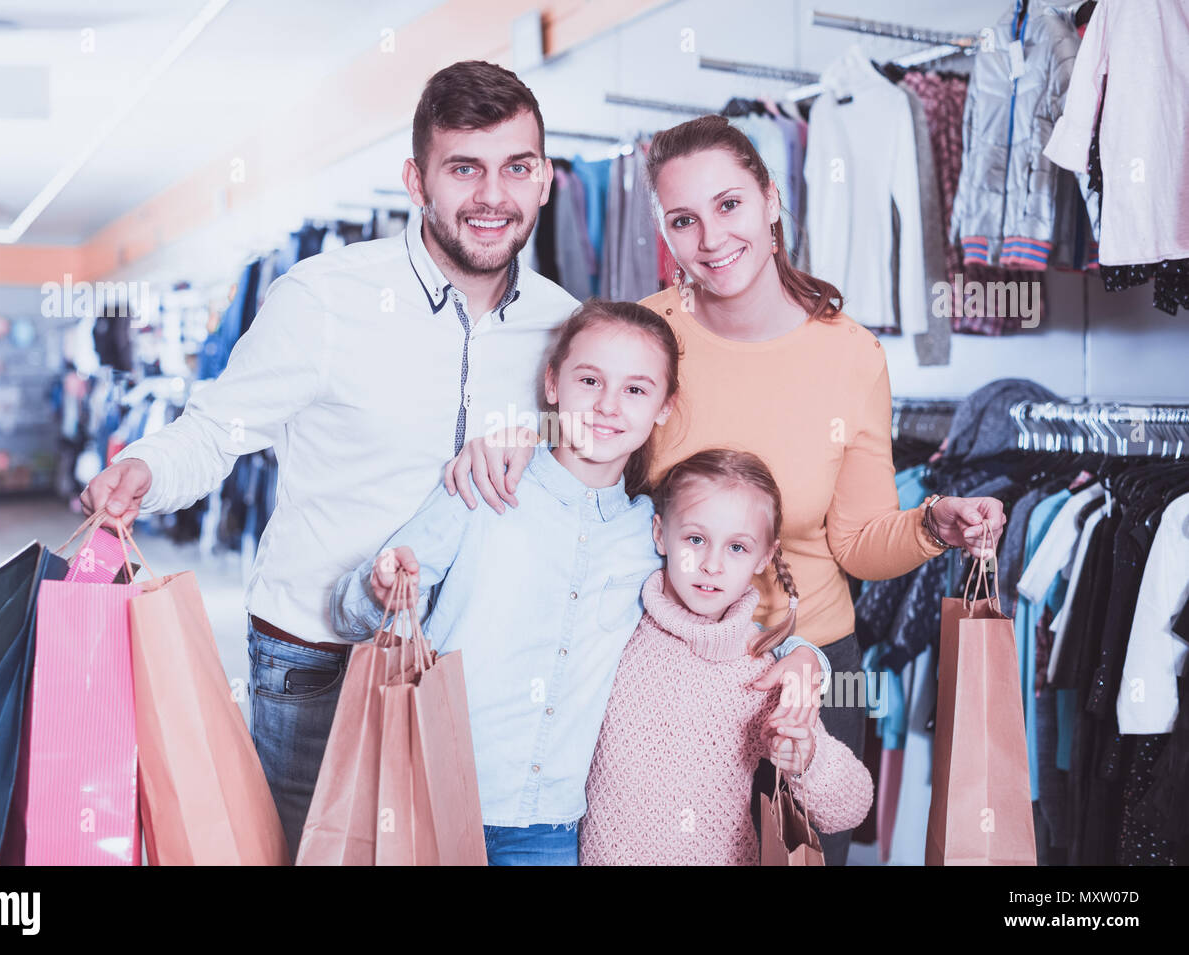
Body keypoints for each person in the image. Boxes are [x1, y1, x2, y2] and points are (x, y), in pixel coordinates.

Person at [442, 113, 1007, 865]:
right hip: (653, 663)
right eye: (684, 219)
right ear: (665, 233)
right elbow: (590, 453)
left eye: (729, 205)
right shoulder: (646, 331)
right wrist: (526, 436)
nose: (710, 238)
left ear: (771, 200)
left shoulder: (850, 354)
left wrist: (934, 523)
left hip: (802, 668)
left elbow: (859, 543)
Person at [80, 60, 581, 857]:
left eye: (516, 167)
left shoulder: (566, 326)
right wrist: (144, 469)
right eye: (465, 169)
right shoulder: (322, 299)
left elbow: (582, 467)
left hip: (470, 662)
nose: (493, 196)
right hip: (319, 660)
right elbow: (213, 429)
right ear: (416, 179)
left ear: (546, 179)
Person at [332, 300, 828, 865]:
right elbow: (350, 612)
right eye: (590, 380)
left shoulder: (655, 535)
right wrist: (378, 591)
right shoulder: (483, 485)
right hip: (428, 797)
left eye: (637, 390)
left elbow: (729, 627)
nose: (608, 406)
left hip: (549, 829)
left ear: (665, 408)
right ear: (552, 384)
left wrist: (808, 655)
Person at [580, 448, 873, 865]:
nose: (712, 564)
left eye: (737, 547)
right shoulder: (614, 629)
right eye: (695, 540)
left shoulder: (761, 672)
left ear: (765, 557)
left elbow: (851, 807)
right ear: (660, 534)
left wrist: (808, 759)